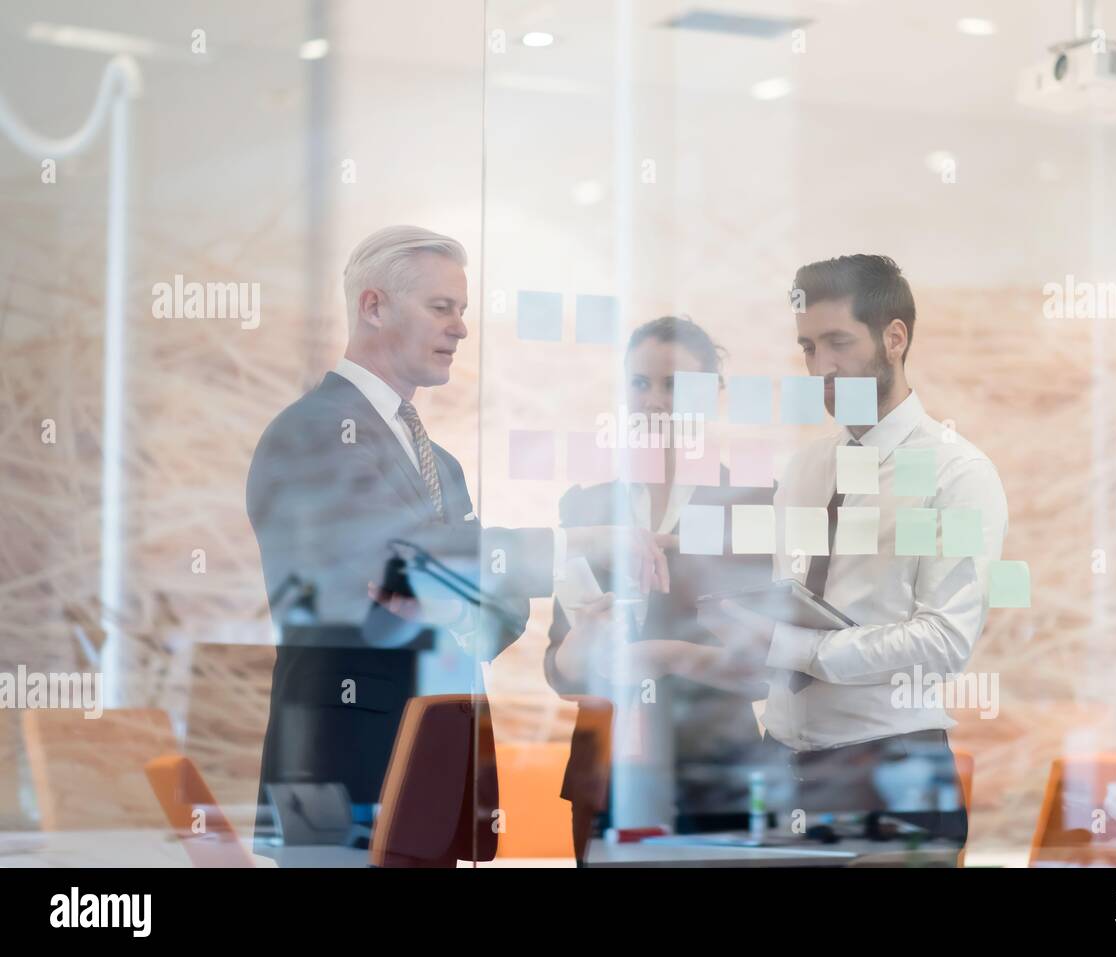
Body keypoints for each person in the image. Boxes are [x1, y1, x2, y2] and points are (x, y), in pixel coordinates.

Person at [245, 225, 665, 864]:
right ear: (374, 306)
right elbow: (404, 561)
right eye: (442, 308)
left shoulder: (439, 462)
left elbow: (496, 609)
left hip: (437, 775)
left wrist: (448, 600)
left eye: (462, 311)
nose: (461, 329)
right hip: (344, 779)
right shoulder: (311, 433)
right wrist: (571, 545)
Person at [704, 254, 1009, 848]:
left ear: (894, 338)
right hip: (786, 771)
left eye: (839, 342)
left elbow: (943, 642)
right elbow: (788, 604)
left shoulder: (956, 473)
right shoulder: (805, 469)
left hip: (893, 779)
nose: (823, 366)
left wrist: (798, 649)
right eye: (809, 347)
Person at [543, 316, 773, 863]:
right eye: (640, 383)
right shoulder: (586, 507)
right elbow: (561, 669)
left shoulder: (757, 505)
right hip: (608, 774)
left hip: (716, 771)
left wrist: (662, 657)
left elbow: (765, 667)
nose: (654, 401)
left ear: (713, 395)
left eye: (675, 386)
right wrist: (586, 640)